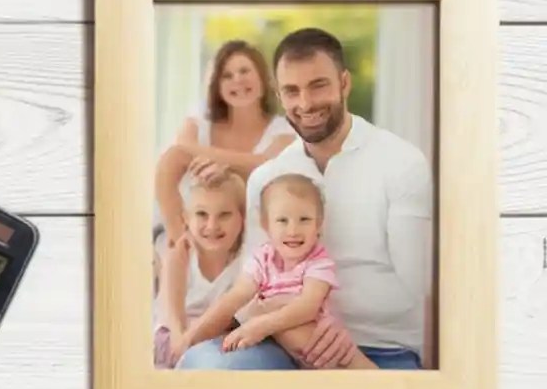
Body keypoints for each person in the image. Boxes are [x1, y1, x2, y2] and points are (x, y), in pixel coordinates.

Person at [178, 27, 433, 371]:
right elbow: (251, 286)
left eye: (318, 86)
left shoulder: (402, 163)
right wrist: (280, 320)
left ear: (344, 83)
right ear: (279, 96)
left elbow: (424, 288)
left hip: (382, 348)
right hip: (284, 339)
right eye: (291, 91)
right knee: (204, 365)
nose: (305, 103)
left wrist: (438, 377)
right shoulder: (268, 177)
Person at [169, 173, 378, 369]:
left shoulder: (318, 261)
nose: (293, 230)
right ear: (266, 225)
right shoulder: (263, 258)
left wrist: (259, 326)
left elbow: (307, 307)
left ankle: (376, 378)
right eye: (282, 220)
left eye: (304, 220)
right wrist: (191, 337)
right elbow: (235, 297)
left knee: (293, 326)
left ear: (319, 224)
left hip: (314, 340)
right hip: (277, 344)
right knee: (229, 322)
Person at [155, 40, 295, 251]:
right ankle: (178, 242)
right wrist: (178, 235)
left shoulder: (284, 131)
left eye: (244, 71)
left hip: (248, 241)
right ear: (217, 86)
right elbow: (177, 154)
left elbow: (265, 164)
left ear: (262, 78)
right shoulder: (200, 119)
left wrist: (221, 165)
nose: (237, 80)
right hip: (191, 235)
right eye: (227, 76)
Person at [153, 172, 246, 368]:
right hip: (171, 335)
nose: (212, 226)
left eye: (224, 215)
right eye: (202, 214)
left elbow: (232, 317)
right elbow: (172, 308)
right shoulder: (181, 255)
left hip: (215, 335)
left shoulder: (245, 262)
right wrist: (179, 336)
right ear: (186, 218)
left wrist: (195, 339)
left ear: (242, 219)